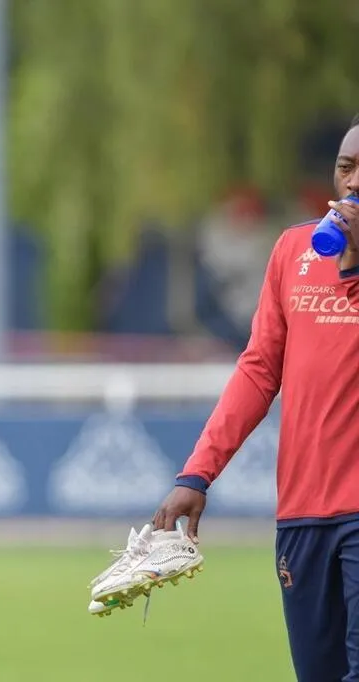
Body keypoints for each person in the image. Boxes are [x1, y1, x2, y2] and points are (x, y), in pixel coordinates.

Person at [153, 113, 359, 681]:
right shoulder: (294, 250)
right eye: (346, 168)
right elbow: (258, 370)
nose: (353, 183)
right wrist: (195, 475)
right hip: (302, 515)